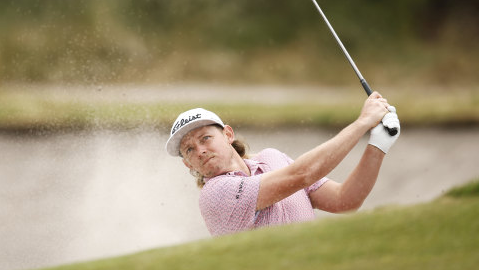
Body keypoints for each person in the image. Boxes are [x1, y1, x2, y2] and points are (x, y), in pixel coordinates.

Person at [165, 92, 400, 236]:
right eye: (189, 149)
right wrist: (363, 122)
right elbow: (302, 174)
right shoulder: (215, 194)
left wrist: (378, 144)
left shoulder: (272, 158)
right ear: (188, 165)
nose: (200, 151)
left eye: (205, 138)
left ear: (228, 134)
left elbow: (345, 200)